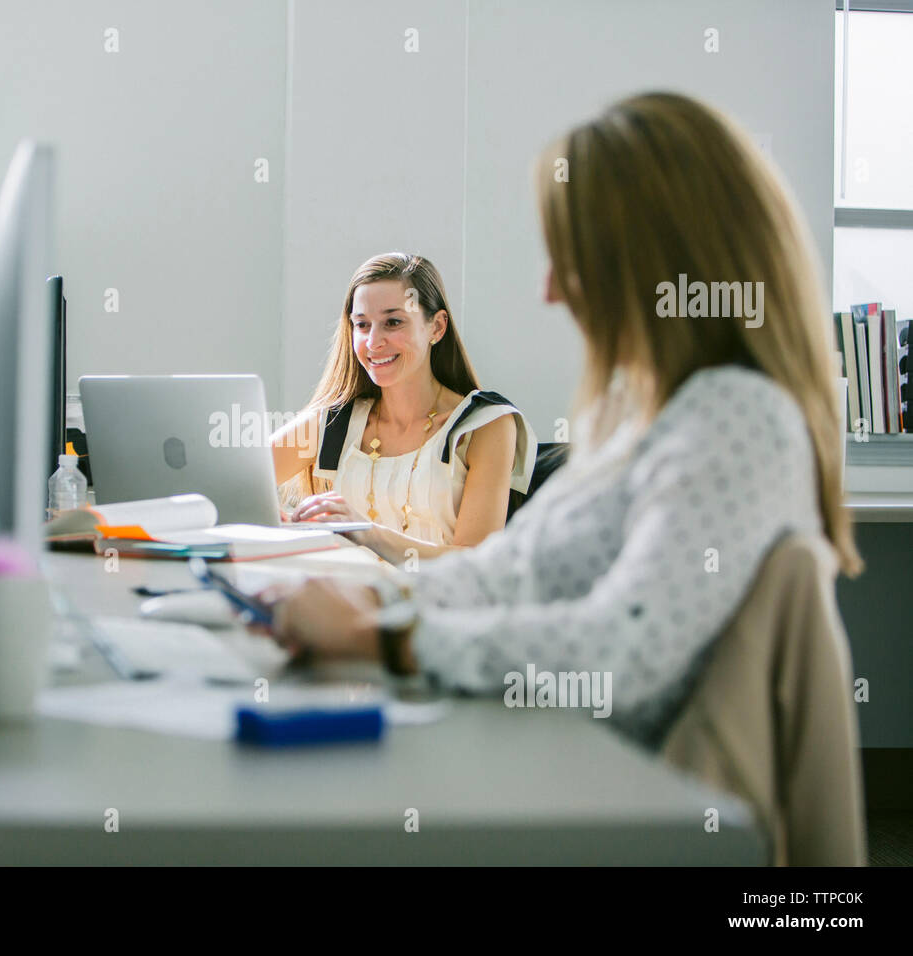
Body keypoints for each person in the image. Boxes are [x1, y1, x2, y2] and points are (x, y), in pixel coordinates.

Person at [266, 92, 862, 747]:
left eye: (571, 258)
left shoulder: (734, 421)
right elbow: (509, 573)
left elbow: (625, 647)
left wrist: (383, 639)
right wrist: (376, 604)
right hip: (551, 743)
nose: (550, 290)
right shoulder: (634, 415)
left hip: (614, 782)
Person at [271, 253, 538, 565]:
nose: (373, 342)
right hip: (342, 597)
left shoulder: (484, 425)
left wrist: (366, 532)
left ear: (437, 327)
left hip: (431, 607)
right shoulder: (335, 422)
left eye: (393, 322)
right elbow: (228, 483)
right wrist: (275, 525)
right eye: (362, 324)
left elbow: (474, 564)